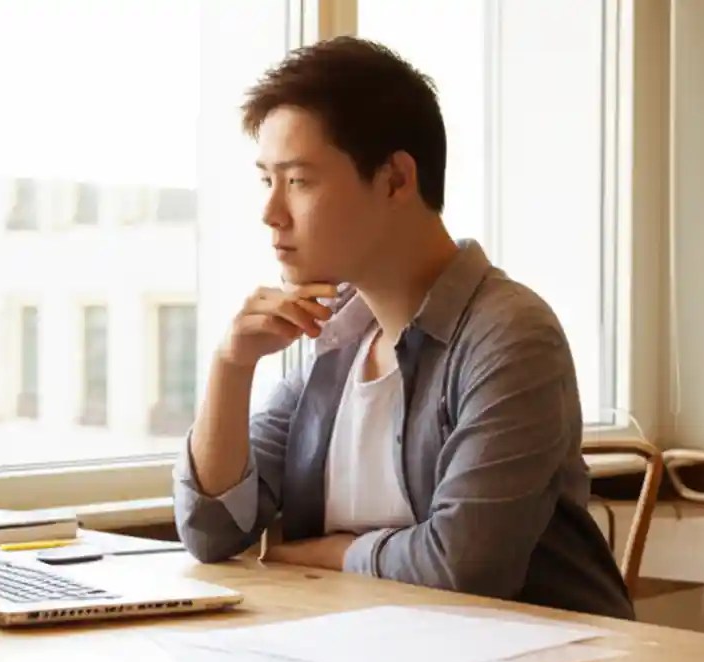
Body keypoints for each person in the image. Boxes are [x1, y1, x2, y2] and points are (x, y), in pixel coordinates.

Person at [172, 36, 634, 620]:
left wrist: (331, 554)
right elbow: (213, 532)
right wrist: (231, 366)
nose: (271, 213)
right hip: (373, 661)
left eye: (300, 181)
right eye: (267, 180)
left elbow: (464, 566)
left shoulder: (510, 336)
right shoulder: (334, 338)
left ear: (395, 179)